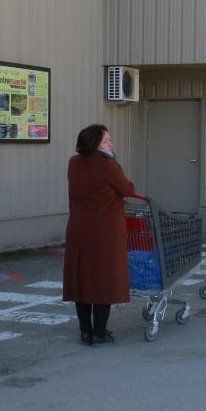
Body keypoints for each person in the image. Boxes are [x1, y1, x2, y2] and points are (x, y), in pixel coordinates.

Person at [63, 124, 136, 345]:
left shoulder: (74, 163)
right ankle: (100, 332)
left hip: (78, 230)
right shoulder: (108, 165)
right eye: (106, 140)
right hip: (105, 232)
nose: (110, 144)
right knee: (103, 280)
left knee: (82, 280)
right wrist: (113, 162)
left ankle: (85, 331)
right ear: (95, 143)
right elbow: (127, 190)